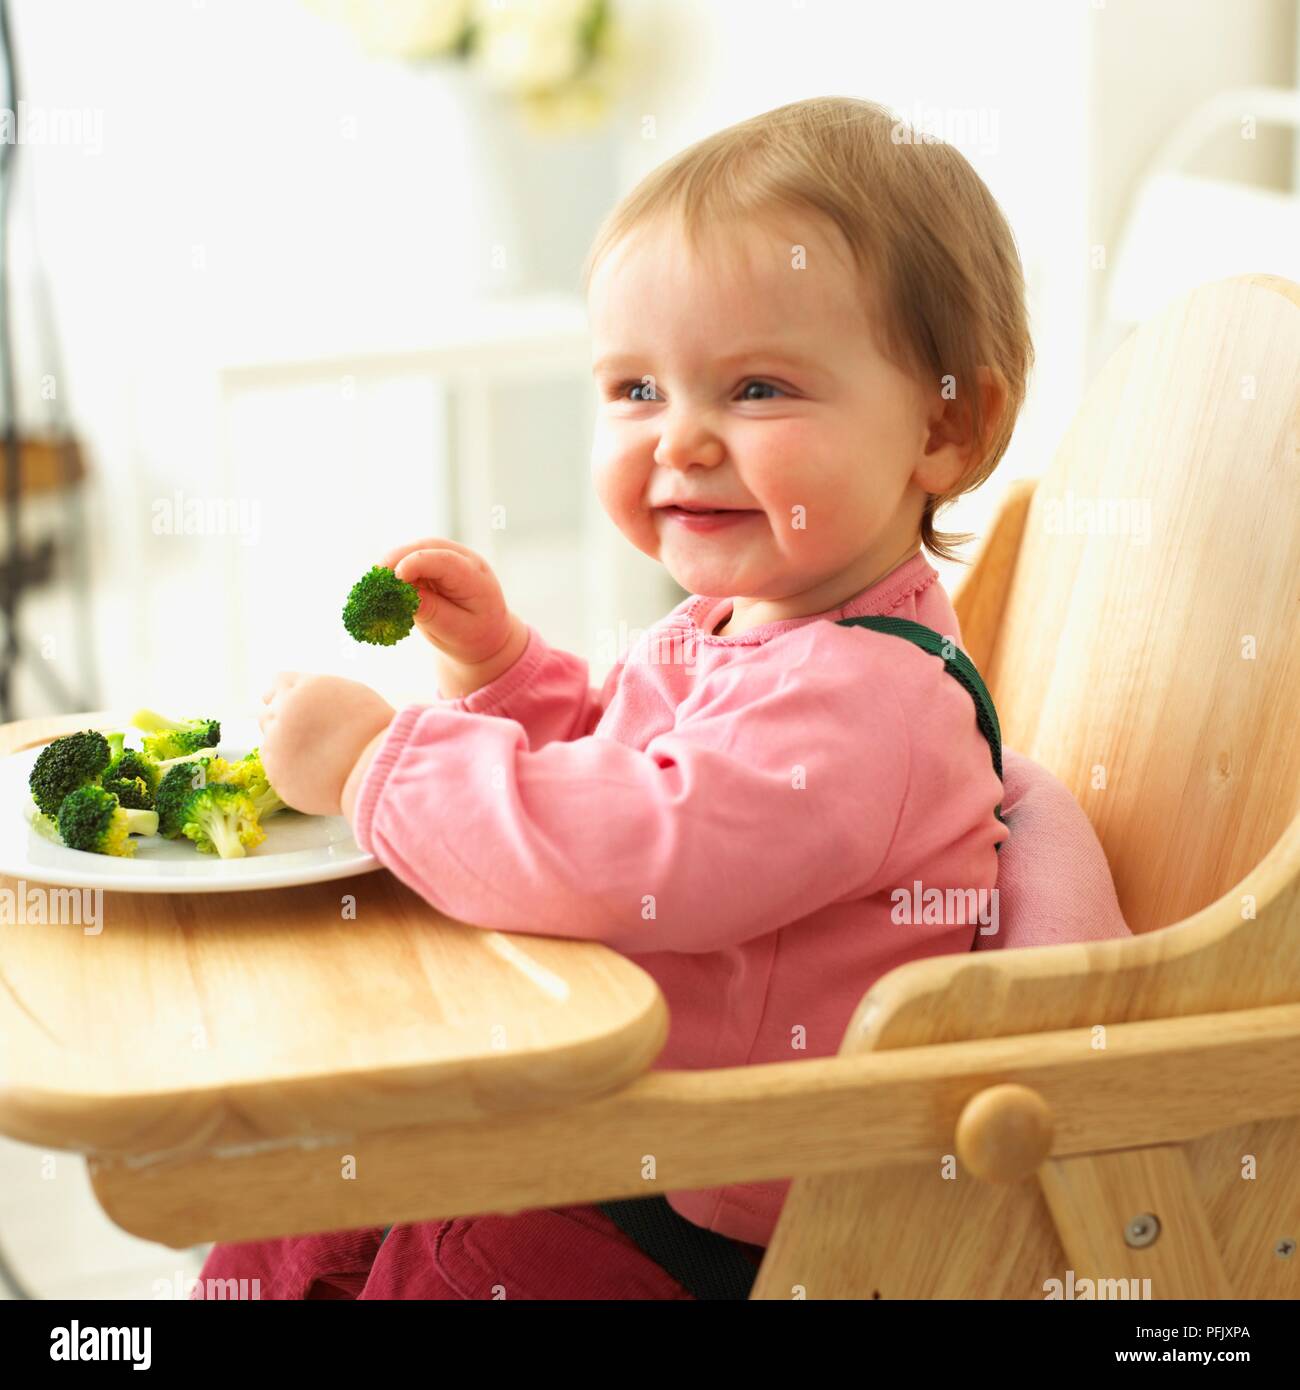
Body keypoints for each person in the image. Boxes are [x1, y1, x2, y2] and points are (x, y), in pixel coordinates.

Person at [198, 94, 1033, 1300]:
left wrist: (378, 765)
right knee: (298, 1203)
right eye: (636, 389)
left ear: (944, 427)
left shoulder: (869, 702)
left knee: (440, 1261)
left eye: (755, 390)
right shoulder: (757, 626)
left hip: (718, 1223)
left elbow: (639, 851)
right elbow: (622, 765)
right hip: (624, 1136)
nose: (679, 440)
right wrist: (508, 677)